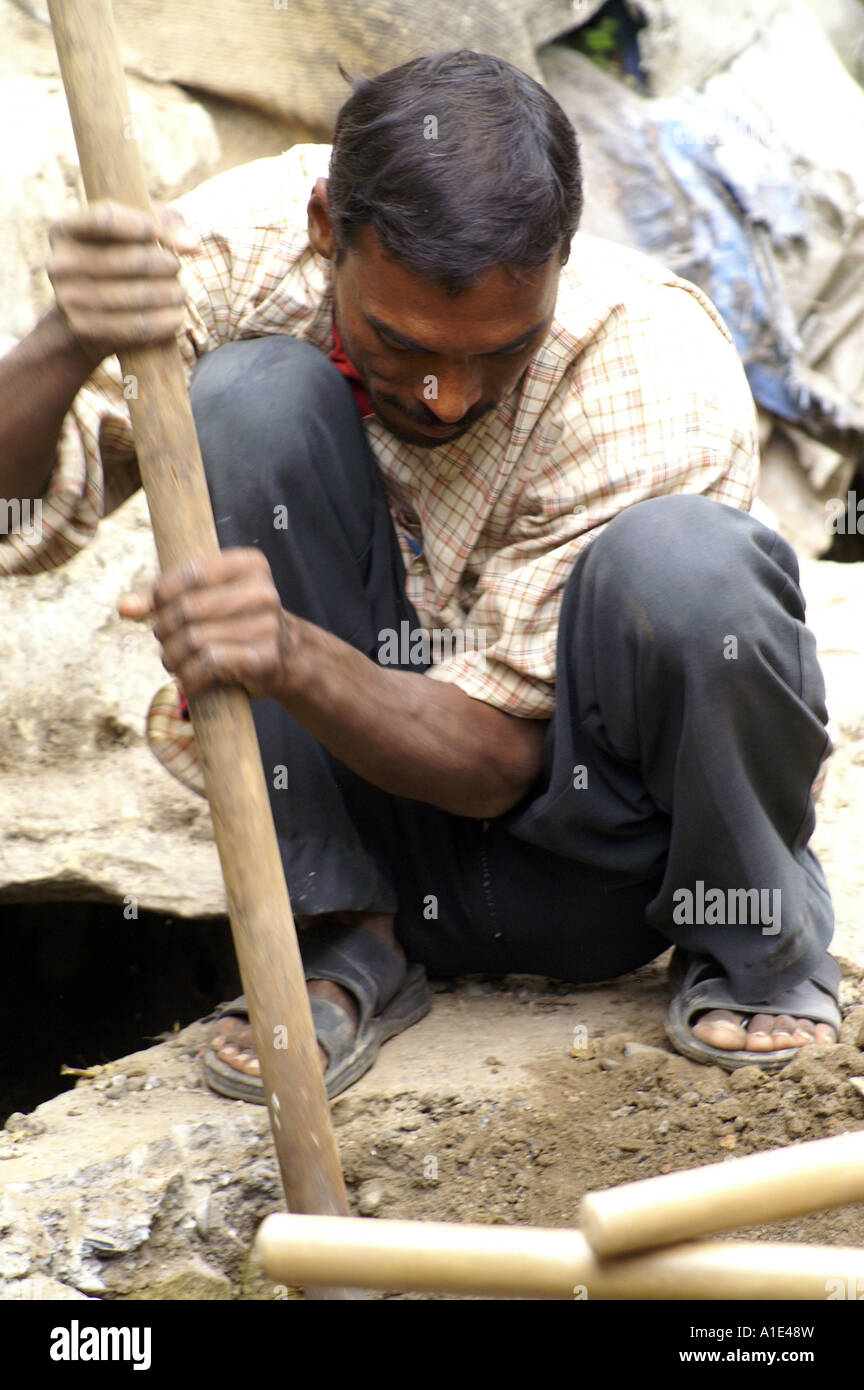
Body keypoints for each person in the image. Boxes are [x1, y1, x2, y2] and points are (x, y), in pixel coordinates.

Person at [0, 50, 841, 1104]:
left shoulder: (646, 359)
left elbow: (499, 764)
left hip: (605, 868)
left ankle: (755, 943)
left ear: (562, 265)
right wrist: (66, 341)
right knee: (248, 396)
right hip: (379, 844)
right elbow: (11, 517)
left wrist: (292, 654)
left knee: (694, 566)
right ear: (323, 231)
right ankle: (345, 941)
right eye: (402, 345)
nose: (447, 395)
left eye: (501, 352)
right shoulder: (231, 255)